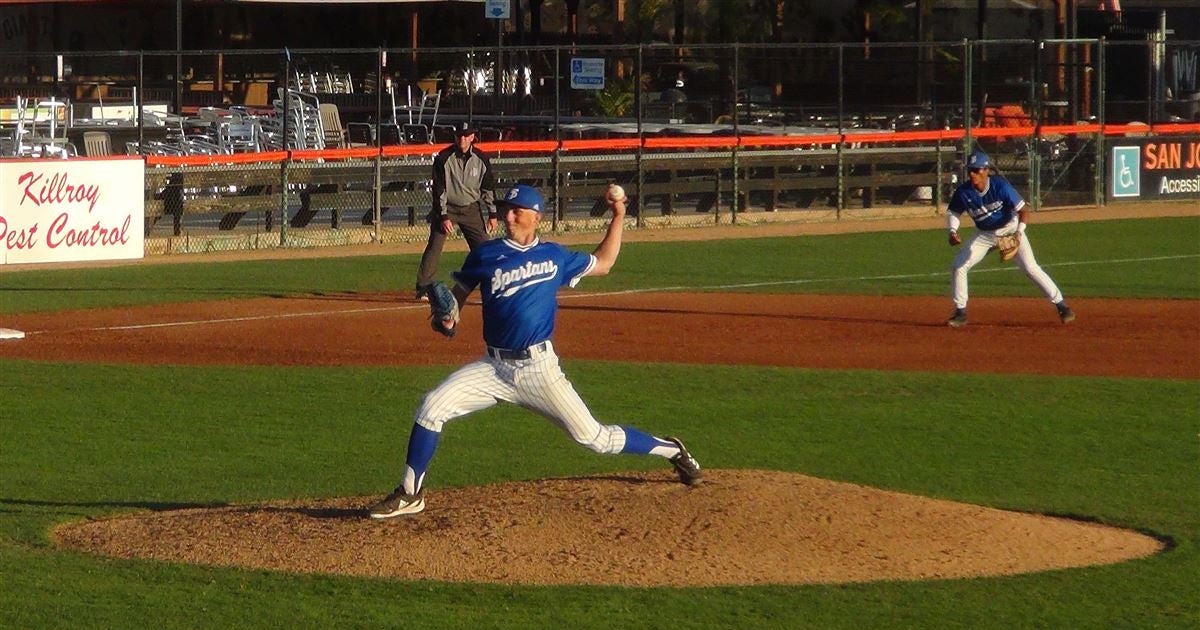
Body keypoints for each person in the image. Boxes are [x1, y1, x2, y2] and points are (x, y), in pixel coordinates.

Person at [369, 183, 702, 518]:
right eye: (506, 209)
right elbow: (455, 302)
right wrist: (446, 319)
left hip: (538, 370)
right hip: (493, 368)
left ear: (536, 217)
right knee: (431, 407)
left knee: (595, 439)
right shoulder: (484, 254)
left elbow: (603, 263)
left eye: (517, 210)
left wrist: (618, 215)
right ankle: (411, 494)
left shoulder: (554, 255)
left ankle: (671, 449)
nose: (508, 216)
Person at [945, 150, 1075, 327]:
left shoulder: (1000, 186)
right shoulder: (964, 192)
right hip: (984, 234)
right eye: (970, 170)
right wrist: (952, 231)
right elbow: (953, 212)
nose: (971, 174)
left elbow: (1023, 211)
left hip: (1010, 228)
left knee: (1030, 268)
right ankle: (960, 312)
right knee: (959, 266)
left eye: (976, 170)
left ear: (986, 170)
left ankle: (1062, 306)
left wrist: (1018, 234)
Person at [414, 121, 498, 300]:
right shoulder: (443, 158)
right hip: (448, 208)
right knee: (435, 246)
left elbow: (488, 188)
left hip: (471, 209)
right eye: (459, 135)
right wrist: (443, 216)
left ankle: (493, 284)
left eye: (466, 135)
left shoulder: (481, 159)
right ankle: (423, 287)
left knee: (483, 248)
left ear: (472, 137)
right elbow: (439, 190)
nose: (462, 139)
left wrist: (492, 214)